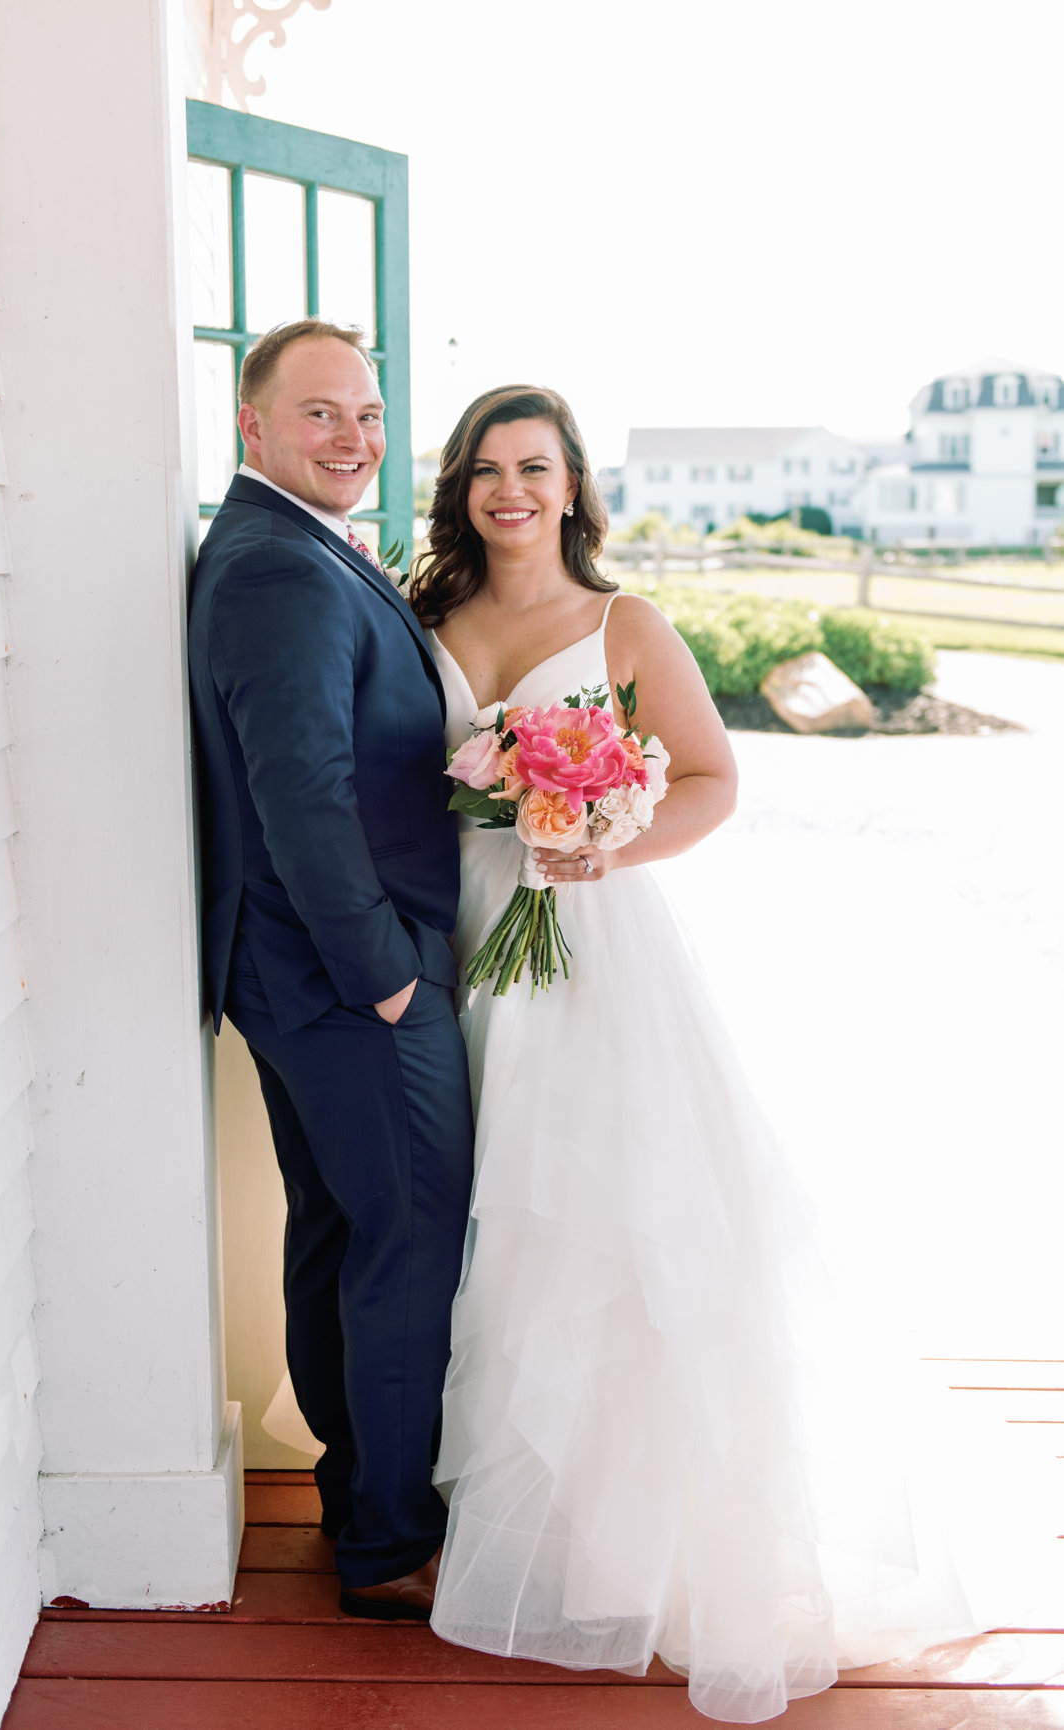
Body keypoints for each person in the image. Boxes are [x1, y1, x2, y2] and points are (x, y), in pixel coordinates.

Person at [410, 385, 977, 1722]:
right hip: (462, 941)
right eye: (487, 470)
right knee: (477, 1224)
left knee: (607, 1226)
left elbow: (714, 778)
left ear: (572, 484)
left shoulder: (625, 624)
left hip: (595, 947)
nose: (510, 493)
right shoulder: (421, 620)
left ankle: (635, 1554)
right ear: (462, 486)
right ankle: (523, 1522)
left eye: (534, 468)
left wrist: (600, 839)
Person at [187, 319, 474, 1622]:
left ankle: (363, 1490)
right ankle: (390, 1541)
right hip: (346, 979)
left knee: (344, 1233)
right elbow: (298, 790)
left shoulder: (285, 546)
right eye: (319, 414)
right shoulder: (276, 571)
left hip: (309, 977)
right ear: (253, 427)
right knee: (405, 1237)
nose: (352, 437)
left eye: (366, 413)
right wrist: (387, 977)